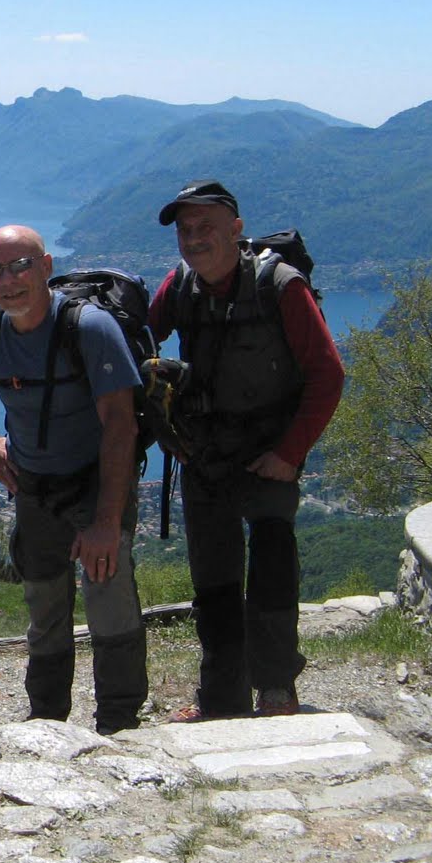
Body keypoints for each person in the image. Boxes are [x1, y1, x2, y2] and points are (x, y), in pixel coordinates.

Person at [149, 179, 344, 719]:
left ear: (235, 229)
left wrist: (290, 453)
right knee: (213, 583)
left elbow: (327, 374)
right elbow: (140, 339)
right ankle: (221, 698)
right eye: (185, 230)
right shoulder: (180, 286)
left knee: (272, 571)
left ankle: (276, 688)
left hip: (268, 454)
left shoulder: (280, 286)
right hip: (205, 454)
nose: (193, 239)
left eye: (205, 227)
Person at [0, 225, 149, 735]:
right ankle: (46, 720)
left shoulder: (89, 329)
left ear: (45, 266)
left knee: (108, 598)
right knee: (44, 605)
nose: (8, 280)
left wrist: (106, 521)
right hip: (35, 487)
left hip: (97, 483)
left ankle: (119, 721)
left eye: (20, 266)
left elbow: (121, 425)